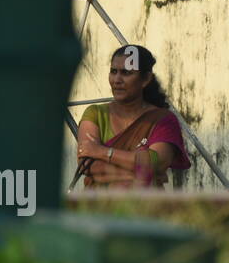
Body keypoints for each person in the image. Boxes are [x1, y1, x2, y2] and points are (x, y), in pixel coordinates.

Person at [75, 44, 191, 189]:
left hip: (145, 208)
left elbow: (157, 164)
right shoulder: (95, 114)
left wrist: (102, 152)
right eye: (113, 71)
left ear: (146, 79)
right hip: (98, 207)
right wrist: (140, 172)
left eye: (126, 73)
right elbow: (88, 166)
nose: (117, 79)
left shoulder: (163, 120)